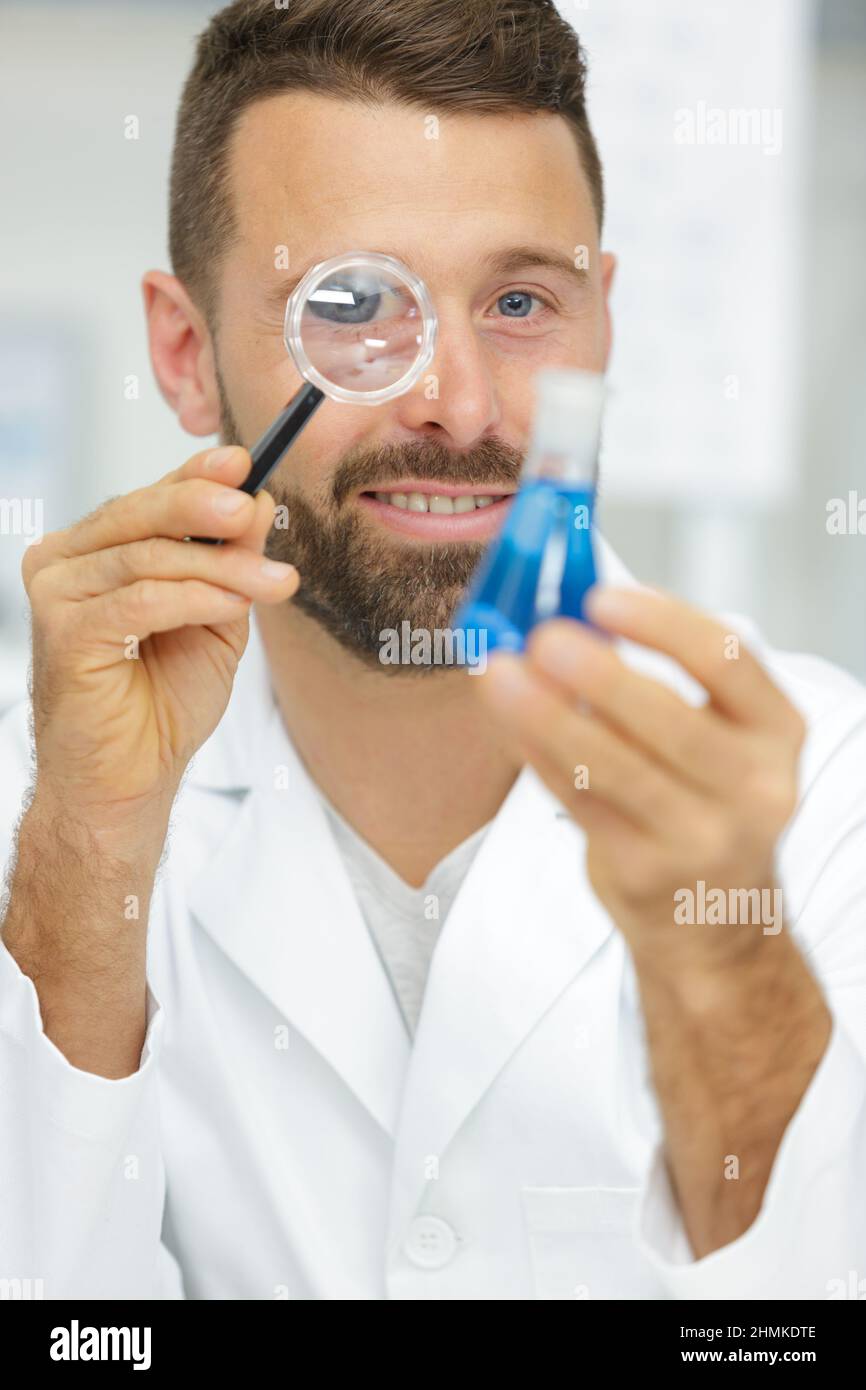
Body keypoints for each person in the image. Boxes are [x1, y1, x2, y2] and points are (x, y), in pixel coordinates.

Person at [0, 0, 864, 1301]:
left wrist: (718, 953)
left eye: (520, 301)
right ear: (184, 353)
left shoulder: (826, 799)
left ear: (601, 326)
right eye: (353, 305)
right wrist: (88, 847)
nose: (455, 407)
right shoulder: (45, 809)